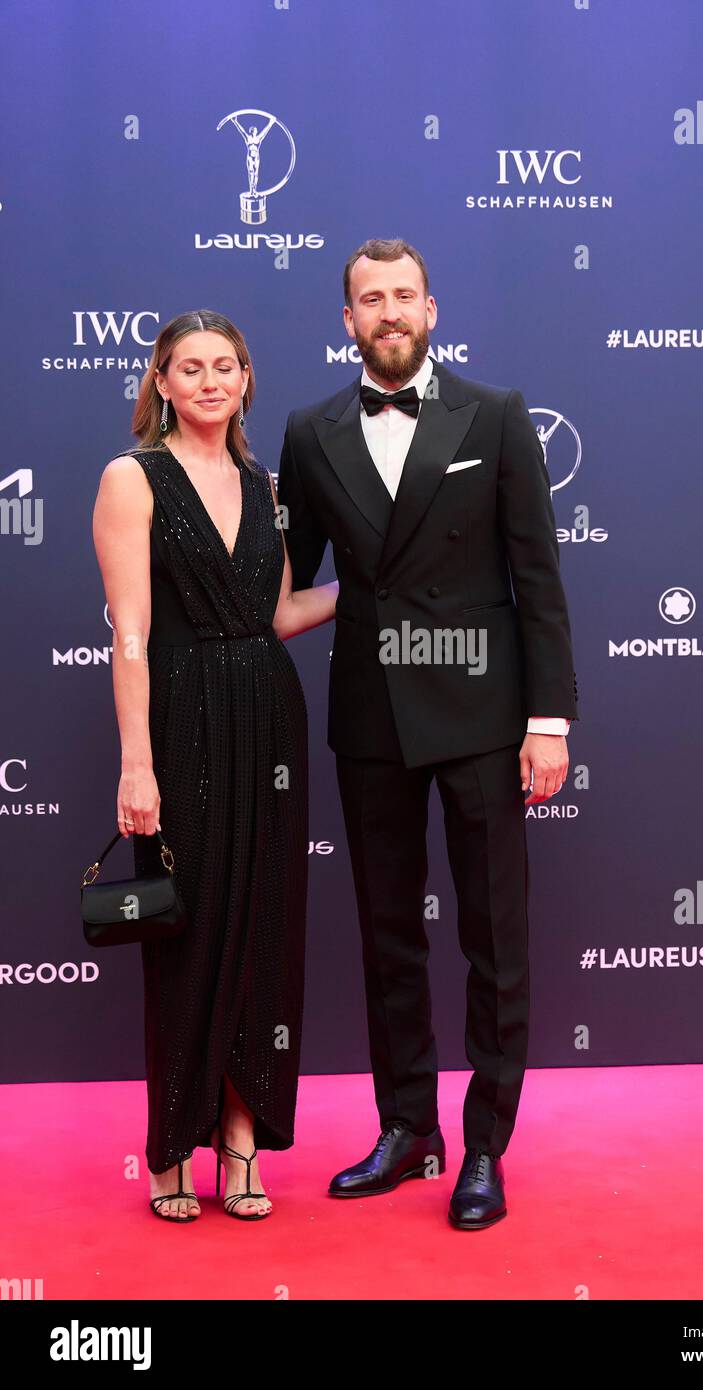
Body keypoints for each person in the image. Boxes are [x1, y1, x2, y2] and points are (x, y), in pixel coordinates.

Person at [278, 240, 577, 1229]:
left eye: (403, 295)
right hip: (371, 714)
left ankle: (483, 1143)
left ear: (431, 308)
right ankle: (407, 1128)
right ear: (349, 319)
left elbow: (535, 576)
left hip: (487, 716)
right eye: (370, 299)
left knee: (494, 941)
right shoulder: (309, 429)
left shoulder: (491, 414)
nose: (389, 311)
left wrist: (547, 720)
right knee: (387, 936)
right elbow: (289, 583)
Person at [92, 310, 337, 1222]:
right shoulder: (132, 478)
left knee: (265, 930)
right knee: (188, 934)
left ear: (246, 380)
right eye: (187, 367)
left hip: (268, 718)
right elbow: (129, 634)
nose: (207, 381)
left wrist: (364, 588)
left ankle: (240, 1143)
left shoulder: (262, 481)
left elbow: (274, 615)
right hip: (182, 719)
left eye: (224, 366)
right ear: (160, 381)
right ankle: (167, 1149)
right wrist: (136, 762)